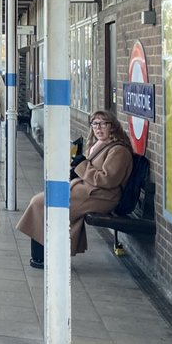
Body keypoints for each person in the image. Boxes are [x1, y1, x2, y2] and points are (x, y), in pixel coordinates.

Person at [16, 111, 133, 269]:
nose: (98, 128)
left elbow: (107, 180)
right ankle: (44, 256)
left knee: (45, 206)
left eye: (103, 124)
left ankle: (44, 257)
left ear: (113, 127)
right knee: (41, 202)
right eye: (95, 124)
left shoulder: (118, 151)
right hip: (88, 191)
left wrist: (82, 166)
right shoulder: (100, 145)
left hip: (101, 196)